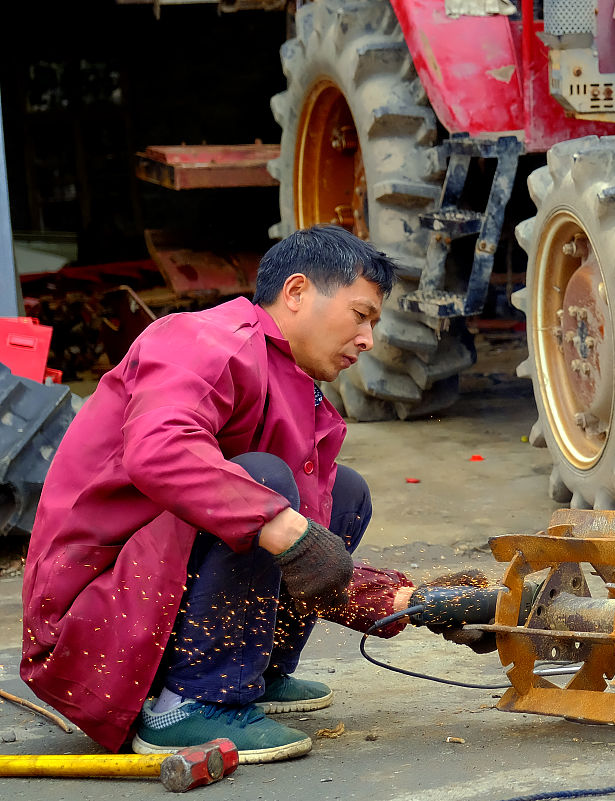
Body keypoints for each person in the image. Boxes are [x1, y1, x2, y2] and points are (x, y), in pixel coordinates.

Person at [20, 225, 453, 763]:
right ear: (297, 292)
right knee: (265, 488)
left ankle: (254, 673)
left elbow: (312, 554)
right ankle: (192, 701)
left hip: (152, 601)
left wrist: (410, 603)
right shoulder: (200, 339)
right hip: (89, 628)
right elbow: (159, 450)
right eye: (360, 315)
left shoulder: (294, 388)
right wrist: (282, 524)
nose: (367, 339)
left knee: (344, 494)